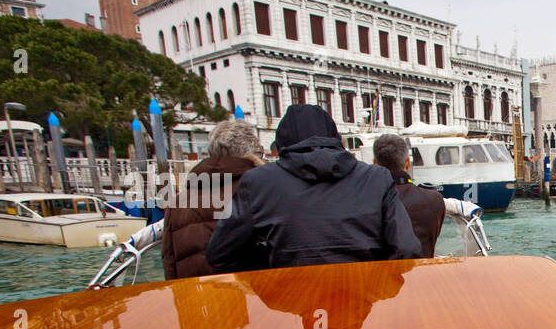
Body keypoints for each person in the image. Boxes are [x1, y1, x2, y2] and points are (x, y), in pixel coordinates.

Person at [206, 104, 421, 272]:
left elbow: (220, 254)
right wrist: (376, 283)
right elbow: (407, 249)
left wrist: (275, 260)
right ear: (336, 139)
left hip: (292, 301)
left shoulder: (257, 182)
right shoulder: (377, 178)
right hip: (361, 301)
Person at [161, 120, 263, 279]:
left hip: (195, 296)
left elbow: (169, 259)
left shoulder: (179, 201)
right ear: (250, 152)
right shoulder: (259, 191)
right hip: (247, 296)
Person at [372, 133, 445, 257]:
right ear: (407, 163)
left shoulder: (366, 200)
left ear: (375, 163)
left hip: (381, 274)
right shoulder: (434, 200)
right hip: (421, 272)